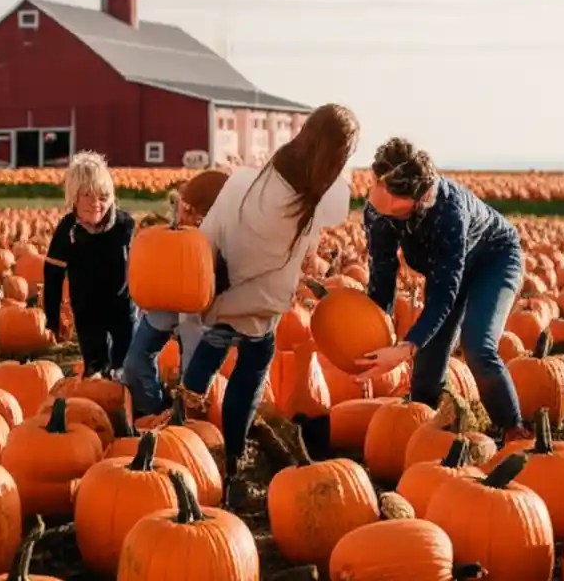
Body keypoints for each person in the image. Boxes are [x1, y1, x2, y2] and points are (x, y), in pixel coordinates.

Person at [175, 103, 357, 487]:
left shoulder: (246, 181)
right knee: (252, 368)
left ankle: (185, 420)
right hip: (264, 303)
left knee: (214, 342)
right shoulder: (319, 201)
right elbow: (343, 198)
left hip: (222, 292)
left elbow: (207, 235)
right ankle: (235, 452)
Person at [352, 138, 531, 444]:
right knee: (428, 365)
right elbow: (383, 275)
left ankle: (514, 430)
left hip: (494, 260)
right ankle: (428, 432)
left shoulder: (448, 211)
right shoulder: (377, 213)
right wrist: (376, 329)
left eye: (385, 190)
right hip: (446, 271)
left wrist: (406, 347)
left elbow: (446, 292)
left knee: (477, 345)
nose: (375, 193)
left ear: (412, 198)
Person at [123, 168, 231, 417]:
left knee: (192, 377)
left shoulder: (226, 240)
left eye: (196, 214)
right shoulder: (172, 229)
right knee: (135, 362)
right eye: (184, 208)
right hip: (169, 299)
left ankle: (186, 422)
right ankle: (152, 411)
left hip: (203, 309)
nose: (185, 216)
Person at [43, 151, 136, 378]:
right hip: (87, 309)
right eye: (87, 196)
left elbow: (143, 267)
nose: (96, 204)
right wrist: (53, 318)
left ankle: (132, 404)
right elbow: (53, 274)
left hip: (122, 307)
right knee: (95, 366)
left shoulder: (125, 226)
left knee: (125, 367)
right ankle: (98, 404)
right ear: (74, 197)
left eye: (103, 197)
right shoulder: (68, 230)